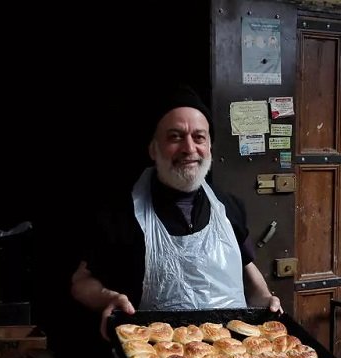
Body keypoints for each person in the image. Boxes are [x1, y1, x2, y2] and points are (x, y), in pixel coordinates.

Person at [70, 85, 281, 340]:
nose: (189, 148)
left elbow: (246, 269)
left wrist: (266, 299)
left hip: (232, 355)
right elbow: (81, 282)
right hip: (157, 356)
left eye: (199, 137)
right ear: (153, 148)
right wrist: (108, 298)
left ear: (210, 147)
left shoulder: (229, 207)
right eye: (175, 137)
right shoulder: (119, 215)